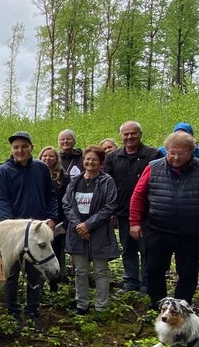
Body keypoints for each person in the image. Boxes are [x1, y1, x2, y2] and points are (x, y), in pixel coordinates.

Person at [129, 130, 199, 308]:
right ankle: (158, 303)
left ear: (191, 152)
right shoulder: (153, 167)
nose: (175, 157)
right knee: (154, 270)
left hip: (191, 232)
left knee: (187, 273)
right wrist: (135, 222)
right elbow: (138, 195)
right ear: (166, 150)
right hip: (158, 229)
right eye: (172, 153)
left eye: (181, 153)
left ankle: (182, 305)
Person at [0, 131, 59, 330]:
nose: (19, 150)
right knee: (11, 275)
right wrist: (12, 227)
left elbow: (51, 195)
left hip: (39, 232)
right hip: (14, 235)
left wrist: (52, 218)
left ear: (31, 147)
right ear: (12, 150)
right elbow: (2, 202)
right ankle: (13, 313)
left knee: (34, 273)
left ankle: (32, 312)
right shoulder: (2, 172)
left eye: (23, 146)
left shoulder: (41, 168)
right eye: (16, 147)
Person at [104, 121, 161, 294]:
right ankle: (130, 282)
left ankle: (146, 283)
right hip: (122, 212)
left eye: (133, 133)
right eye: (126, 134)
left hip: (148, 213)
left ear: (140, 134)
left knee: (146, 249)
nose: (129, 137)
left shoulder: (153, 155)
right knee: (128, 249)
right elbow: (108, 184)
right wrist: (111, 211)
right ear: (121, 136)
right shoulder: (113, 157)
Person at [63, 146, 119, 313]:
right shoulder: (75, 181)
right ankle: (82, 304)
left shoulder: (107, 181)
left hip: (100, 232)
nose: (90, 162)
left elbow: (110, 206)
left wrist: (88, 225)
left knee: (101, 271)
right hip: (77, 233)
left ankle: (101, 307)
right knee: (80, 271)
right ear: (83, 160)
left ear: (100, 162)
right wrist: (78, 225)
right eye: (87, 159)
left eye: (94, 159)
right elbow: (66, 204)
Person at [39, 145, 71, 289]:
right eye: (45, 156)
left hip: (57, 222)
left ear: (57, 159)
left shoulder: (65, 177)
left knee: (56, 251)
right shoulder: (36, 174)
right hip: (39, 221)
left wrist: (63, 222)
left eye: (51, 156)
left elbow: (68, 200)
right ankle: (39, 285)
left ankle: (55, 284)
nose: (48, 158)